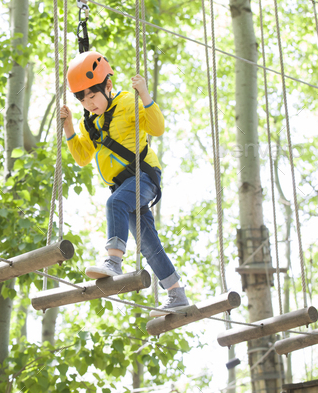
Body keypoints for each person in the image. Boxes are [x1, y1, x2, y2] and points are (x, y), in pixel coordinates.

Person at [59, 51, 189, 317]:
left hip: (144, 176)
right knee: (147, 242)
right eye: (83, 100)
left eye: (93, 96)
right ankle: (176, 293)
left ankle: (113, 260)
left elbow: (157, 128)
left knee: (115, 203)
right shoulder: (90, 122)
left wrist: (144, 94)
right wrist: (70, 127)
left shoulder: (128, 102)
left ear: (108, 86)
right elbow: (83, 156)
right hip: (124, 187)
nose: (89, 104)